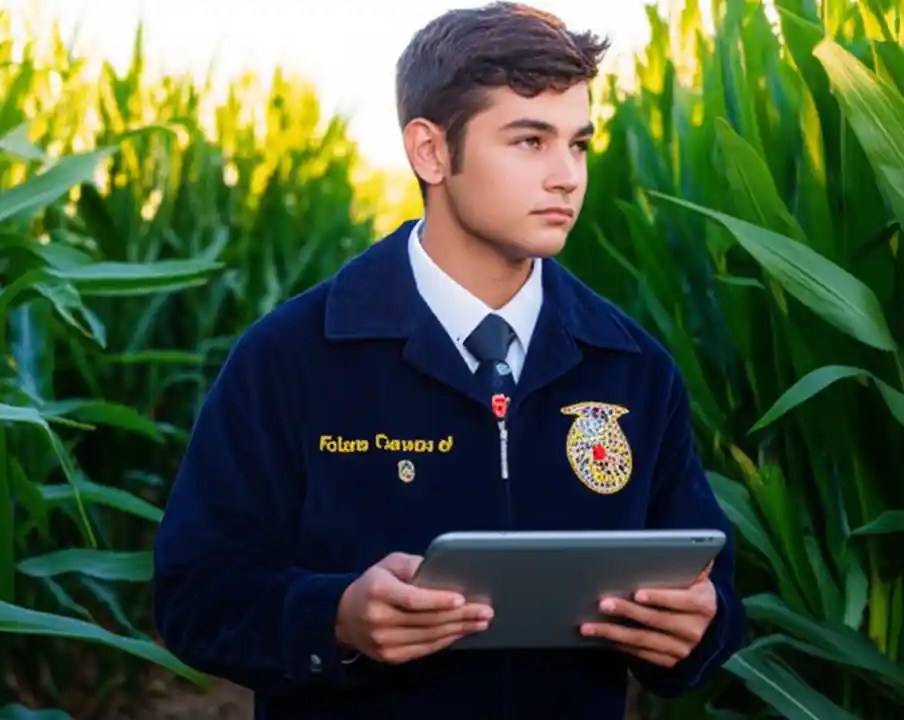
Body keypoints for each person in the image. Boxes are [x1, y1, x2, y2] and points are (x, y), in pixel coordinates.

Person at [151, 3, 745, 718]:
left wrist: (698, 630)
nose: (566, 176)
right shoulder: (290, 359)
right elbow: (194, 595)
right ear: (430, 151)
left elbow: (714, 597)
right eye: (528, 141)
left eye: (578, 144)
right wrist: (335, 617)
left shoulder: (632, 369)